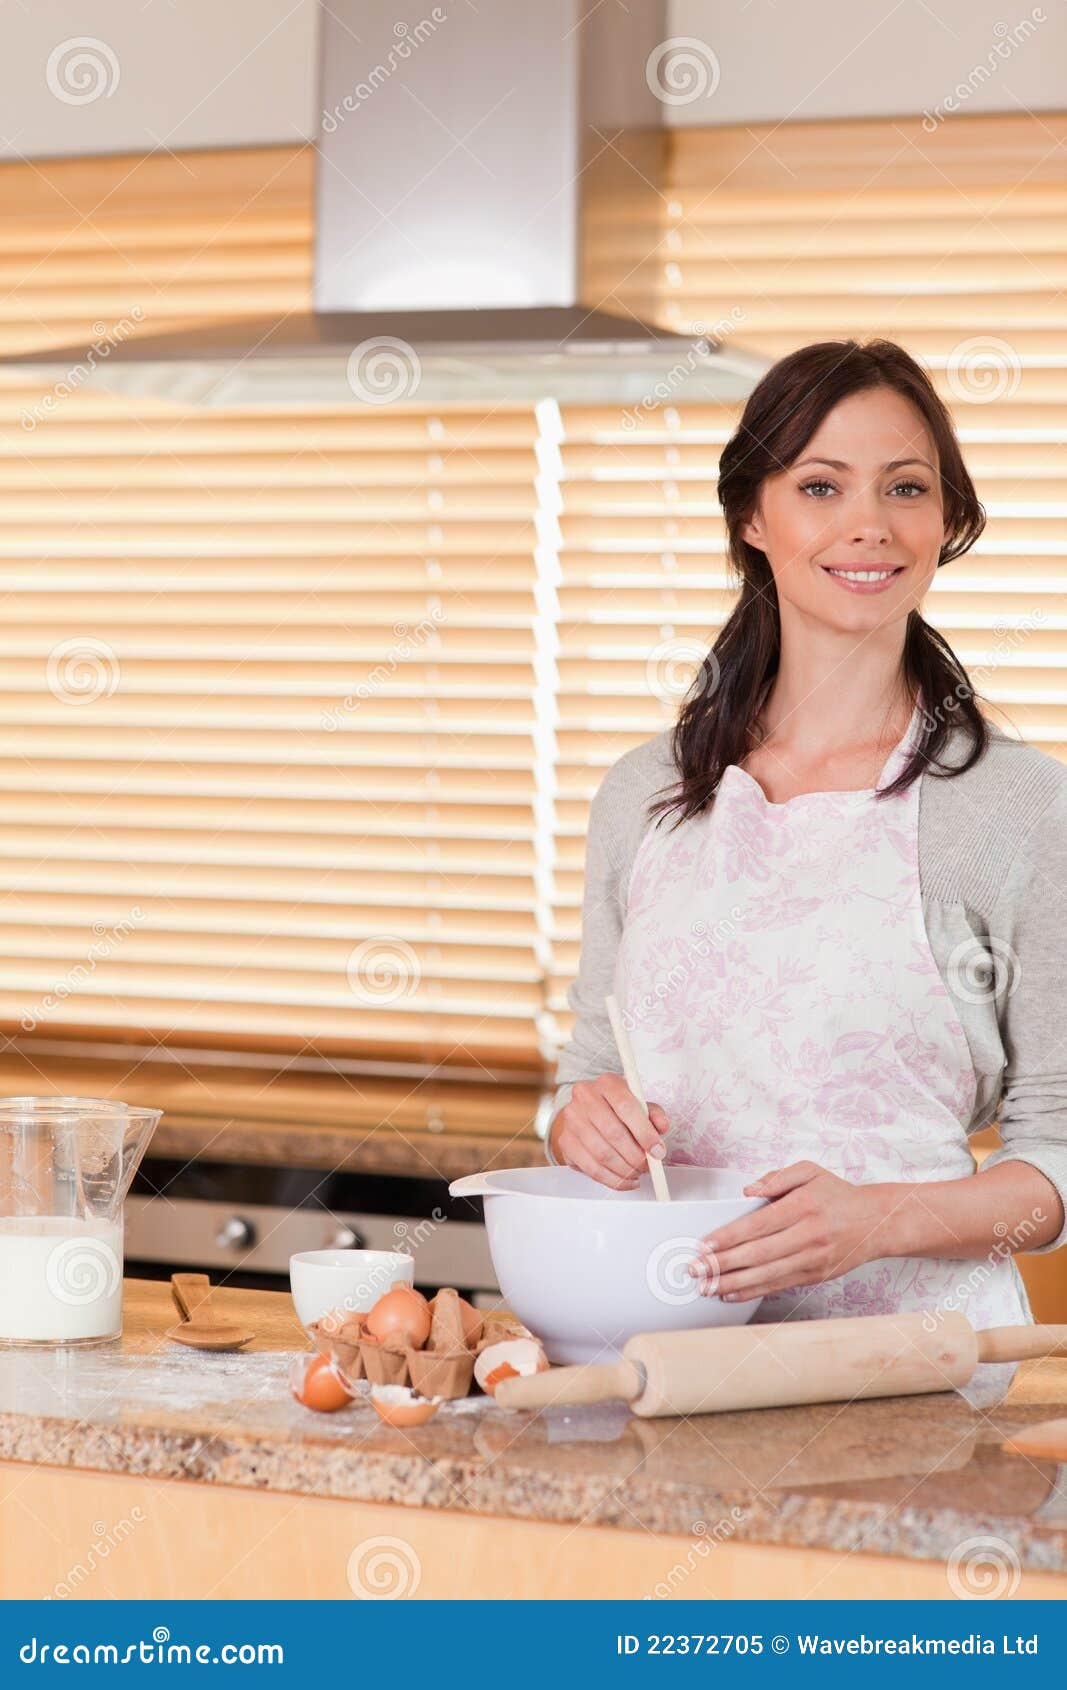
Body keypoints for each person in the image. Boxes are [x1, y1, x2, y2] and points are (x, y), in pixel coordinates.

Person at [547, 338, 1067, 1326]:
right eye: (820, 487)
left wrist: (878, 1220)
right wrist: (578, 1122)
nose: (867, 526)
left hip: (912, 1376)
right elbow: (585, 1077)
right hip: (667, 1344)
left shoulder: (1019, 808)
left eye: (905, 488)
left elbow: (1057, 1159)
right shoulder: (645, 795)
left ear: (944, 518)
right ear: (751, 514)